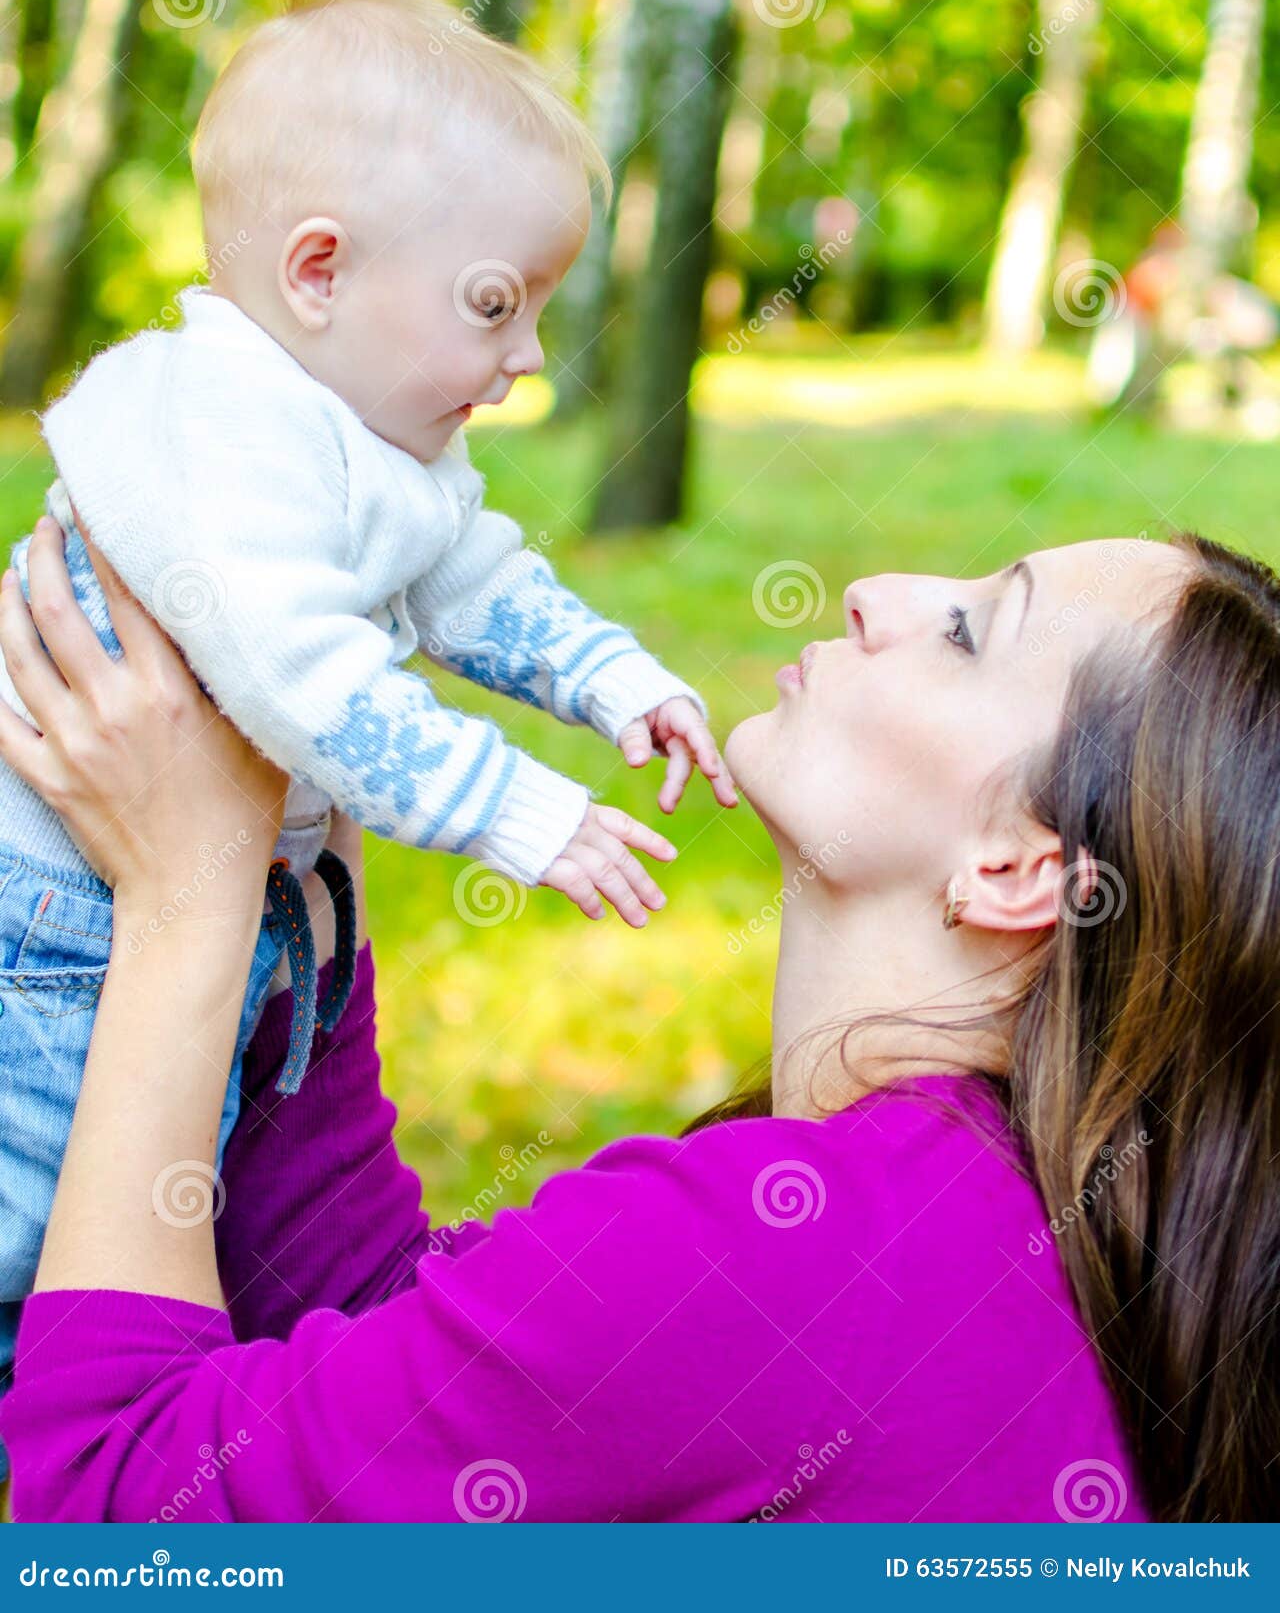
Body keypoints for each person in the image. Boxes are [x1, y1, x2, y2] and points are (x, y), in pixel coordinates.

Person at [1, 516, 1277, 1522]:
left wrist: (184, 901)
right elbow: (399, 1363)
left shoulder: (802, 1257)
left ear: (1018, 867)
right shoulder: (972, 1224)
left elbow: (124, 1514)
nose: (874, 592)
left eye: (964, 631)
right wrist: (306, 807)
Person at [0, 0, 736, 1473]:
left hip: (184, 916)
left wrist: (616, 681)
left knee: (162, 1208)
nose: (527, 354)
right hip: (49, 940)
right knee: (31, 1232)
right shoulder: (222, 428)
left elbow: (476, 583)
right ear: (318, 269)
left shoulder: (366, 434)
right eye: (493, 304)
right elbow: (297, 677)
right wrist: (516, 812)